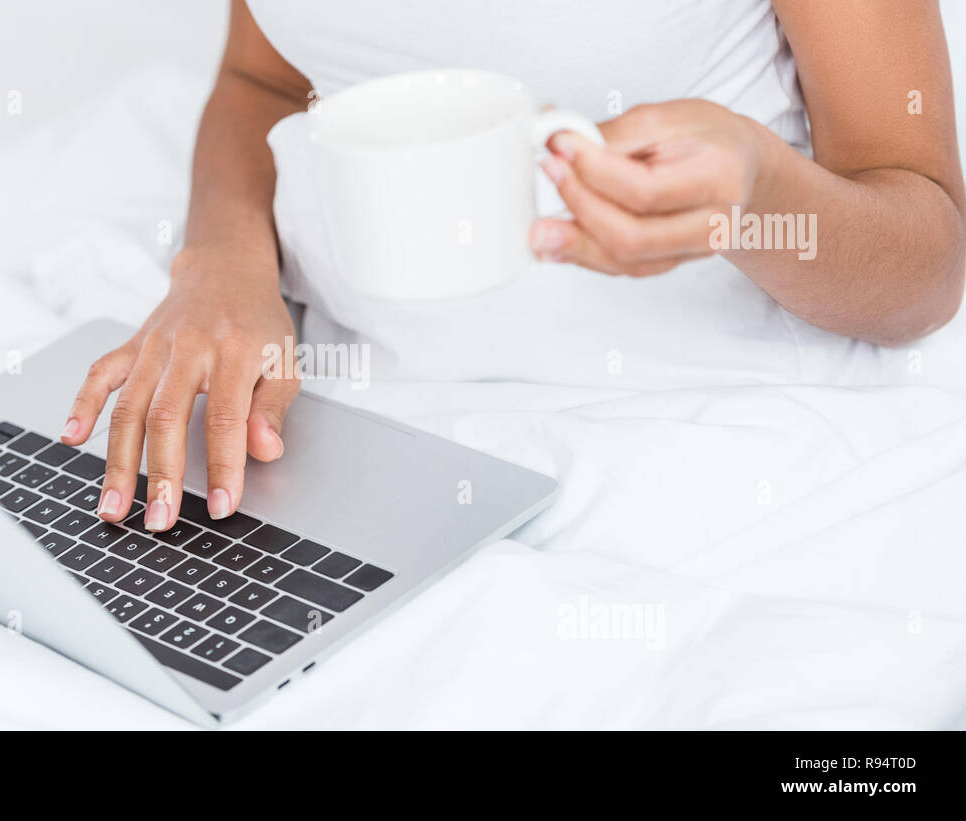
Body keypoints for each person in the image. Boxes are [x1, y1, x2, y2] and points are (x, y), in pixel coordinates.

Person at [60, 0, 965, 533]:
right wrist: (221, 259)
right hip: (350, 434)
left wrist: (760, 203)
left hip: (707, 435)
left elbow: (930, 257)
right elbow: (264, 79)